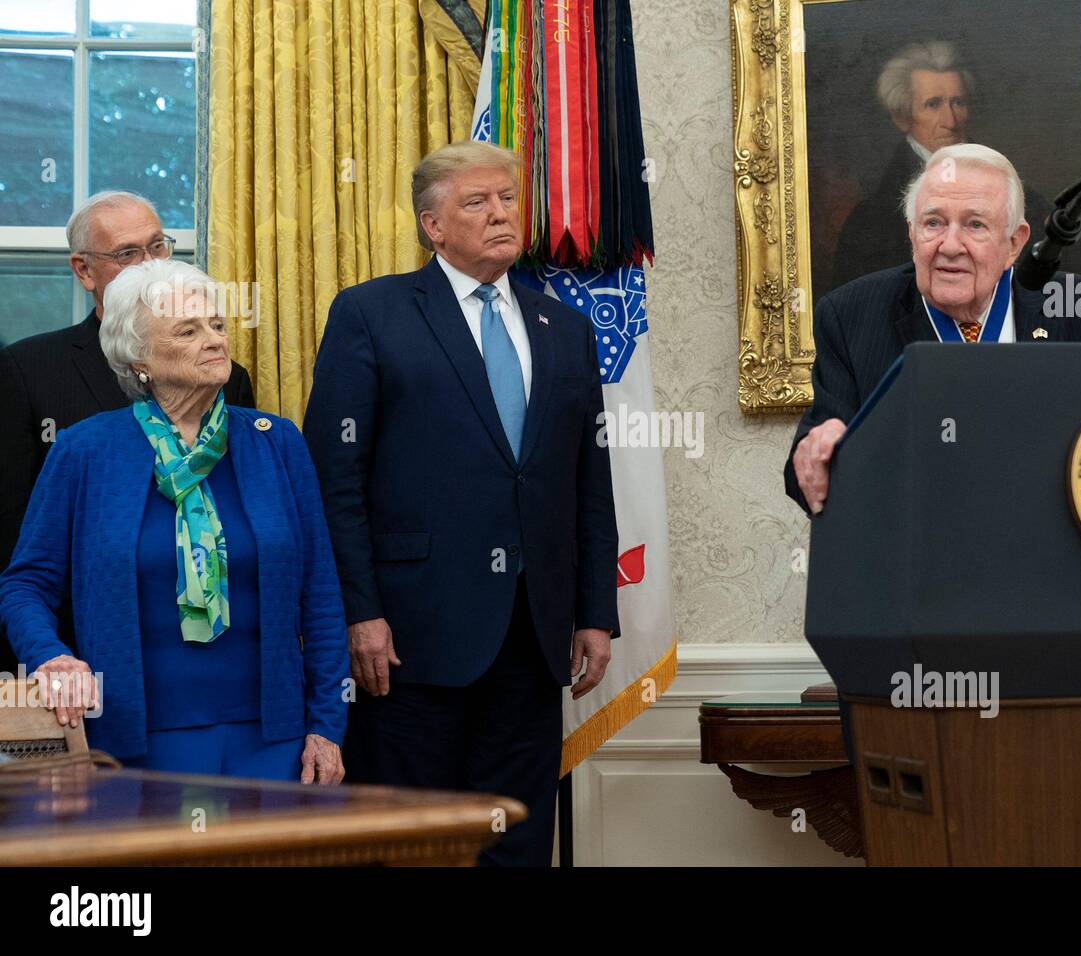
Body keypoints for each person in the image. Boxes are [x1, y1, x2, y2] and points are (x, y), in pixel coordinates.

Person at [303, 140, 619, 865]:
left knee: (518, 839)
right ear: (432, 226)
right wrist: (359, 611)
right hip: (409, 639)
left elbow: (588, 482)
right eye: (476, 203)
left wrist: (595, 613)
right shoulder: (371, 313)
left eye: (507, 198)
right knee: (418, 843)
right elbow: (335, 479)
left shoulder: (563, 328)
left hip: (534, 636)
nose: (500, 213)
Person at [0, 259, 347, 783]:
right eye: (188, 330)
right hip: (128, 739)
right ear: (139, 356)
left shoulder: (276, 442)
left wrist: (326, 725)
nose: (214, 339)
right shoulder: (85, 449)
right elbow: (26, 582)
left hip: (273, 736)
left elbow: (320, 592)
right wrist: (48, 656)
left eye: (217, 325)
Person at [788, 143, 1081, 517]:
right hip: (916, 554)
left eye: (975, 225)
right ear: (911, 232)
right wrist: (817, 451)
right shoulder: (849, 316)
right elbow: (809, 467)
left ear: (1014, 242)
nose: (950, 246)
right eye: (934, 222)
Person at [0, 191, 256, 675]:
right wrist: (41, 645)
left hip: (210, 633)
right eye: (127, 254)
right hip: (81, 637)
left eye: (157, 246)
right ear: (83, 270)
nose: (148, 264)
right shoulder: (28, 369)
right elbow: (15, 526)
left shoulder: (225, 374)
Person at [828, 42, 1063, 296]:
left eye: (957, 103)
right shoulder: (871, 221)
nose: (950, 121)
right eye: (933, 104)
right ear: (901, 117)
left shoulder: (1024, 200)